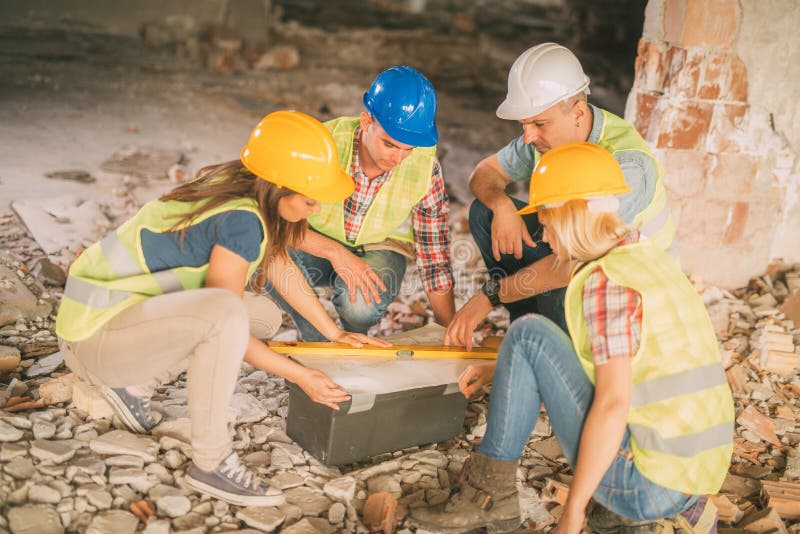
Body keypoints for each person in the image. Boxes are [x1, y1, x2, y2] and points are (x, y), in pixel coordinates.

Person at [55, 111, 389, 507]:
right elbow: (222, 319)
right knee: (227, 313)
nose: (315, 210)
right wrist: (303, 376)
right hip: (93, 338)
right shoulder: (243, 222)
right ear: (279, 187)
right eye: (309, 199)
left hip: (109, 318)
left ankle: (132, 385)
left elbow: (278, 263)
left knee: (262, 316)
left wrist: (333, 333)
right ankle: (211, 462)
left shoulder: (241, 184)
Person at [411, 142, 733, 533]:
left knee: (528, 334)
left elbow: (613, 405)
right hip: (694, 474)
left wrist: (573, 511)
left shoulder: (607, 284)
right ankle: (622, 519)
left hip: (646, 487)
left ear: (570, 215)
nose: (544, 237)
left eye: (546, 221)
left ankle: (490, 496)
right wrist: (502, 366)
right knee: (531, 343)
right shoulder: (645, 258)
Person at [445, 42, 676, 348]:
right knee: (485, 212)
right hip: (569, 253)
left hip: (626, 284)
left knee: (561, 294)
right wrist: (501, 205)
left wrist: (489, 295)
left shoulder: (627, 166)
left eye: (539, 123)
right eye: (524, 124)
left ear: (578, 112)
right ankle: (525, 329)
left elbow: (574, 264)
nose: (528, 137)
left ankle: (547, 346)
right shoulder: (547, 137)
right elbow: (484, 174)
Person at [261, 66, 455, 339]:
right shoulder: (323, 144)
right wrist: (334, 252)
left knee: (359, 307)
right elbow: (268, 219)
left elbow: (434, 255)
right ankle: (317, 339)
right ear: (366, 122)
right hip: (312, 241)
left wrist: (449, 331)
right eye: (389, 144)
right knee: (264, 253)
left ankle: (356, 336)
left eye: (407, 149)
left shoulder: (425, 167)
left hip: (380, 247)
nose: (398, 160)